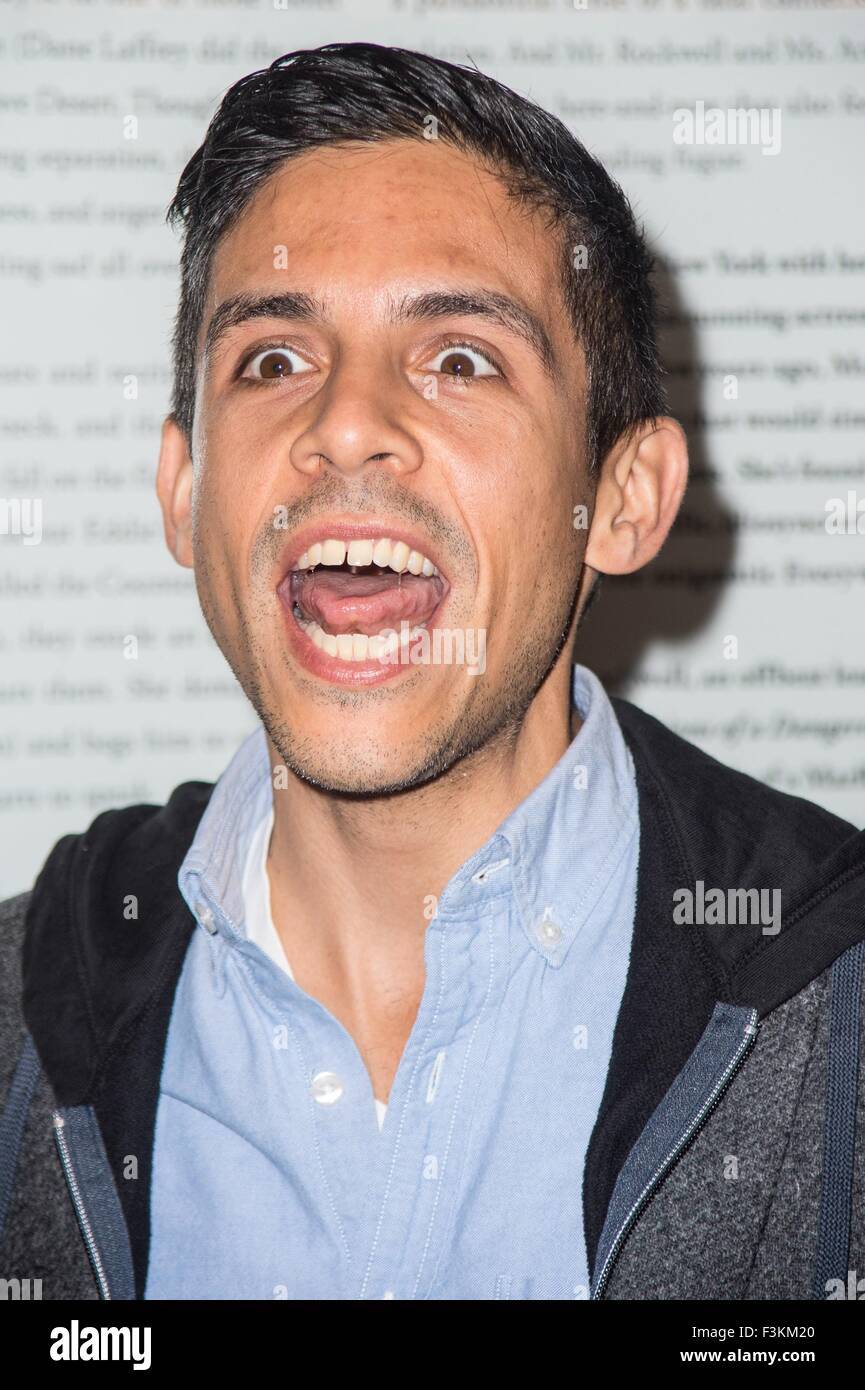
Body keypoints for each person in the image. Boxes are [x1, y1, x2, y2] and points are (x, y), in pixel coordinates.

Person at [1, 42, 862, 1302]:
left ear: (621, 501)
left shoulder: (834, 999)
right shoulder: (25, 1017)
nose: (343, 423)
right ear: (184, 493)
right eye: (273, 361)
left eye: (461, 357)